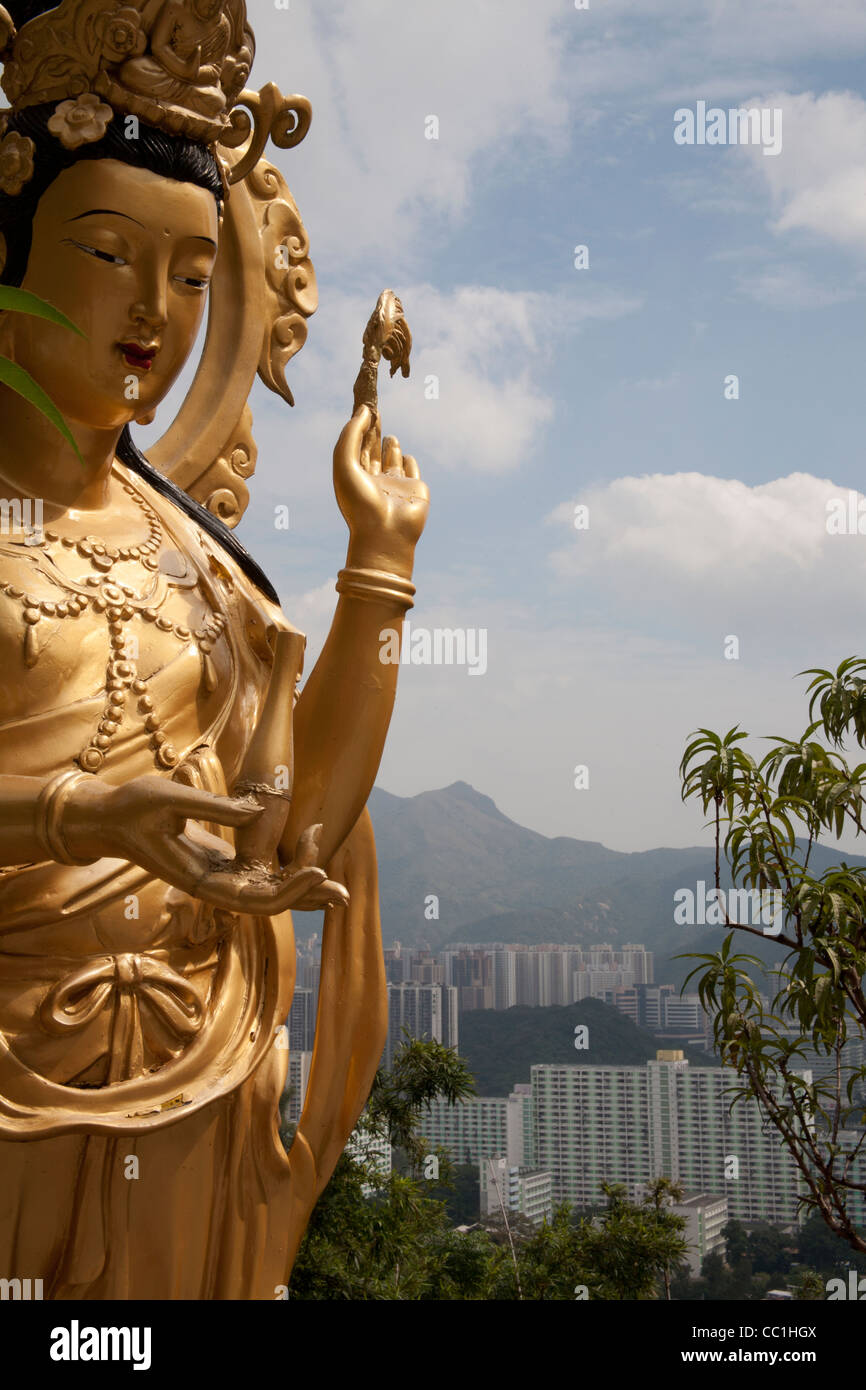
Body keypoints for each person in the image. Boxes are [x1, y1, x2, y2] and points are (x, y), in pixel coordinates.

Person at [0, 0, 428, 1298]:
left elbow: (288, 833)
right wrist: (78, 816)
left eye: (192, 273)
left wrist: (379, 564)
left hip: (192, 1082)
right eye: (109, 253)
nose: (155, 311)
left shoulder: (205, 567)